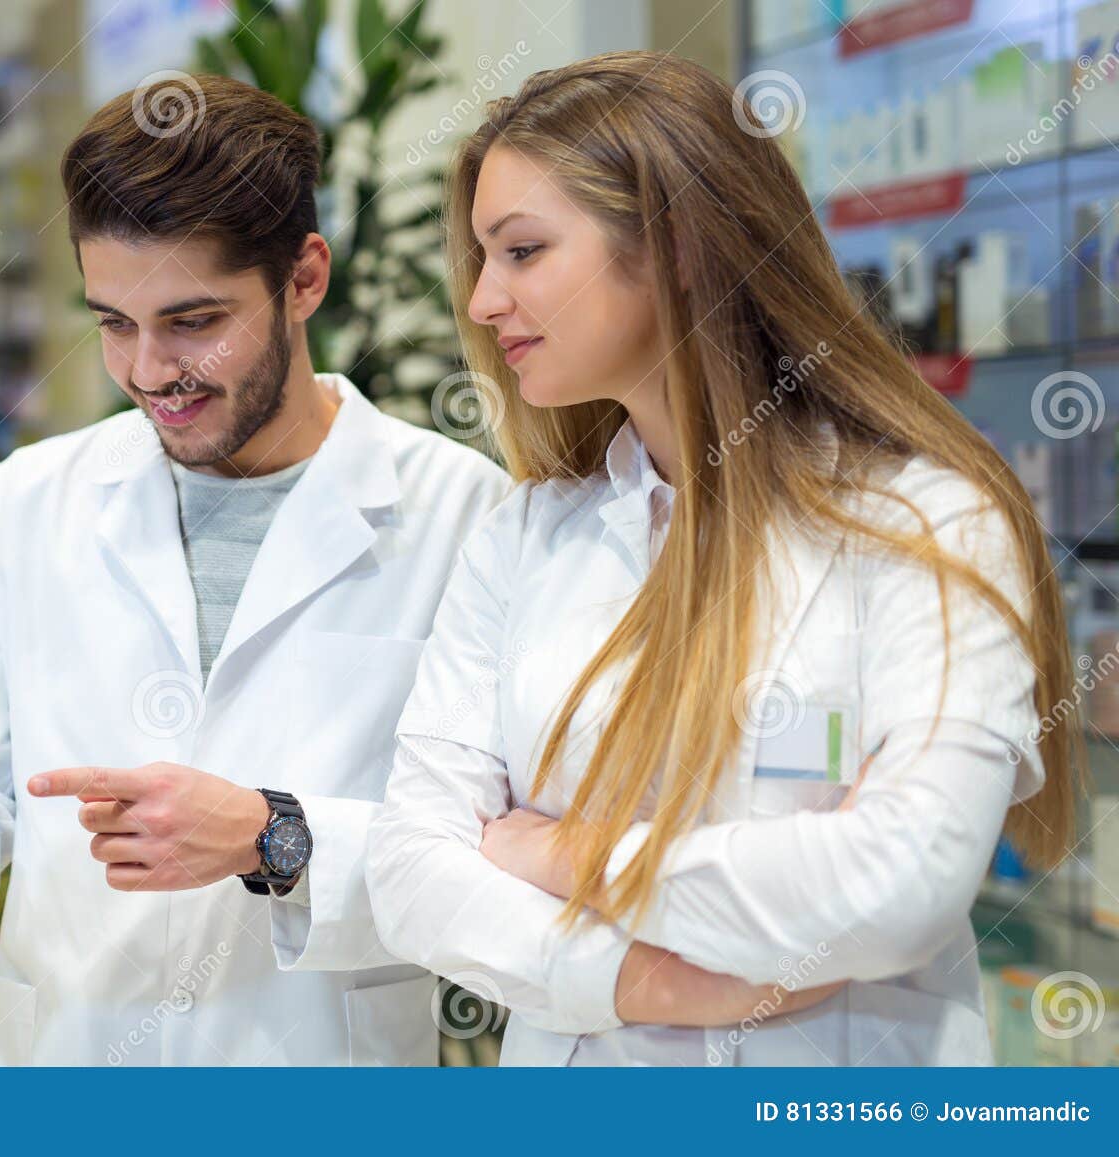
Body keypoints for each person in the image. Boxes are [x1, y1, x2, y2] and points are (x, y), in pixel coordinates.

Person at [0, 73, 514, 1066]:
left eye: (194, 321)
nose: (149, 369)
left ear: (303, 278)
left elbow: (500, 861)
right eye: (114, 321)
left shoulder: (464, 513)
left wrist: (273, 835)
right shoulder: (29, 500)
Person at [366, 52, 1082, 1066]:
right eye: (483, 258)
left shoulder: (925, 522)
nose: (483, 300)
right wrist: (641, 979)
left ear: (679, 245)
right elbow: (409, 874)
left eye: (522, 251)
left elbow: (902, 884)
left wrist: (556, 848)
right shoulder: (522, 538)